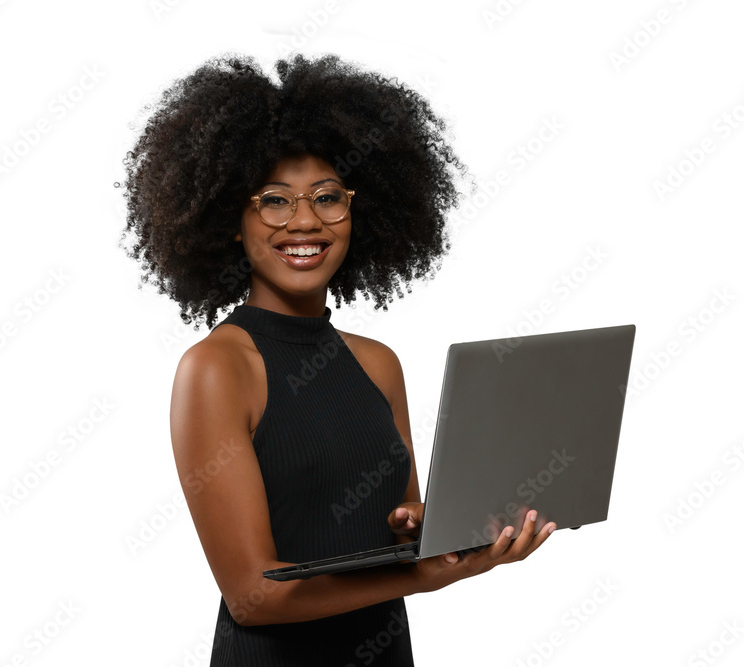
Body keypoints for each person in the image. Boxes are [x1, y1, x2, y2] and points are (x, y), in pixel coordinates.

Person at [117, 51, 555, 666]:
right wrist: (430, 577)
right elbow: (252, 596)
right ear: (229, 218)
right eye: (274, 200)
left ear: (358, 210)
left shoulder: (378, 363)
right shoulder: (217, 367)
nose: (305, 222)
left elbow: (400, 529)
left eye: (328, 197)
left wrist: (465, 533)